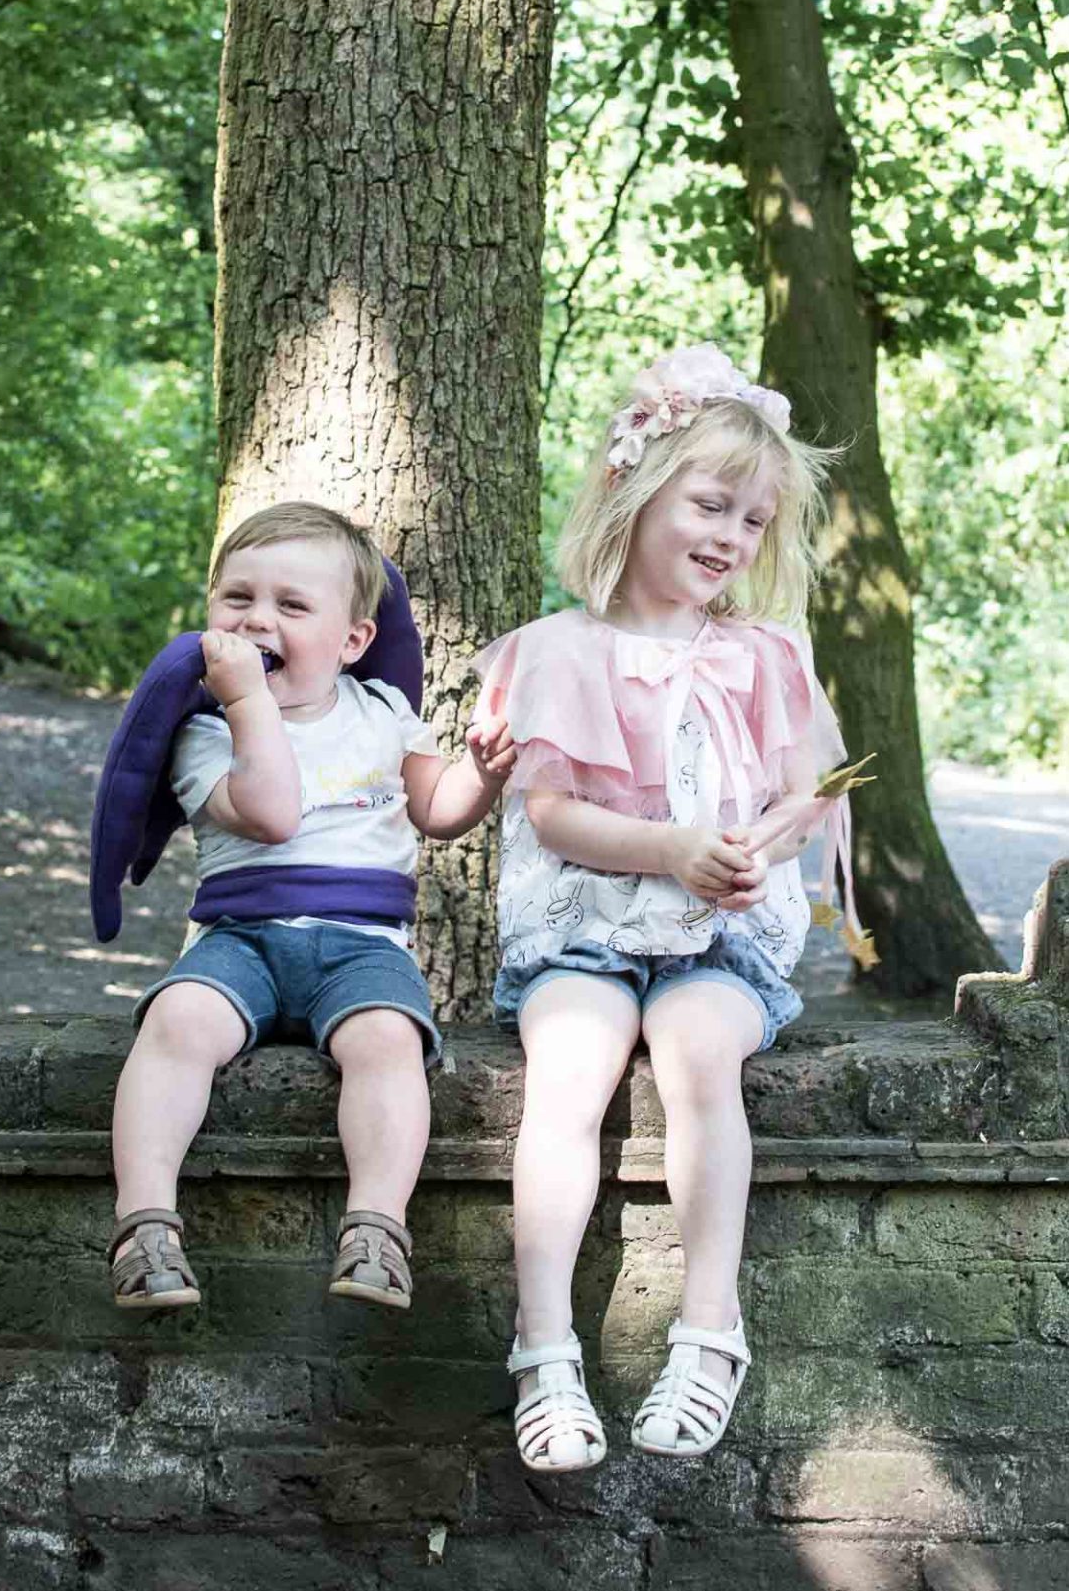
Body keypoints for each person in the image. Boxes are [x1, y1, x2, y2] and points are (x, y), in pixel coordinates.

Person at [474, 344, 862, 1472]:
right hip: (586, 927)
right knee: (570, 1065)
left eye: (753, 520)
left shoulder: (767, 654)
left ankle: (708, 1324)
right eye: (710, 503)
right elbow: (550, 811)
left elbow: (808, 789)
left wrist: (756, 847)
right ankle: (543, 1343)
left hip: (718, 938)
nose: (729, 537)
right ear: (634, 491)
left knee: (699, 1052)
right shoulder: (558, 649)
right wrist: (670, 848)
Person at [107, 501, 514, 1314]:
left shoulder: (386, 714)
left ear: (353, 640)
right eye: (238, 599)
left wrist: (485, 775)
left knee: (388, 1042)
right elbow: (271, 812)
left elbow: (435, 810)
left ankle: (377, 1228)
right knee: (177, 1023)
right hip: (240, 939)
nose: (259, 618)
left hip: (362, 945)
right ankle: (143, 1222)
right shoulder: (206, 730)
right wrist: (247, 702)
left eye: (292, 606)